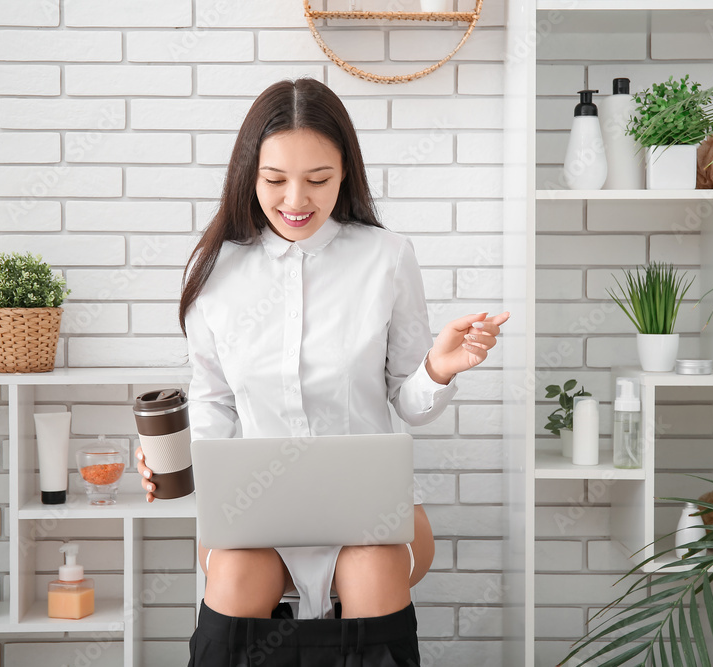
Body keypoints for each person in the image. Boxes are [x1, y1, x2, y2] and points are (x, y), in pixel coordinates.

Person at [135, 78, 509, 665]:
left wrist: (438, 368)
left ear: (345, 174)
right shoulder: (218, 271)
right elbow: (214, 403)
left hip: (368, 516)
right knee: (234, 577)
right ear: (248, 174)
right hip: (256, 514)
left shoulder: (386, 258)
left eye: (318, 180)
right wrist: (177, 458)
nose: (295, 200)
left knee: (372, 568)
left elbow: (409, 403)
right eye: (275, 180)